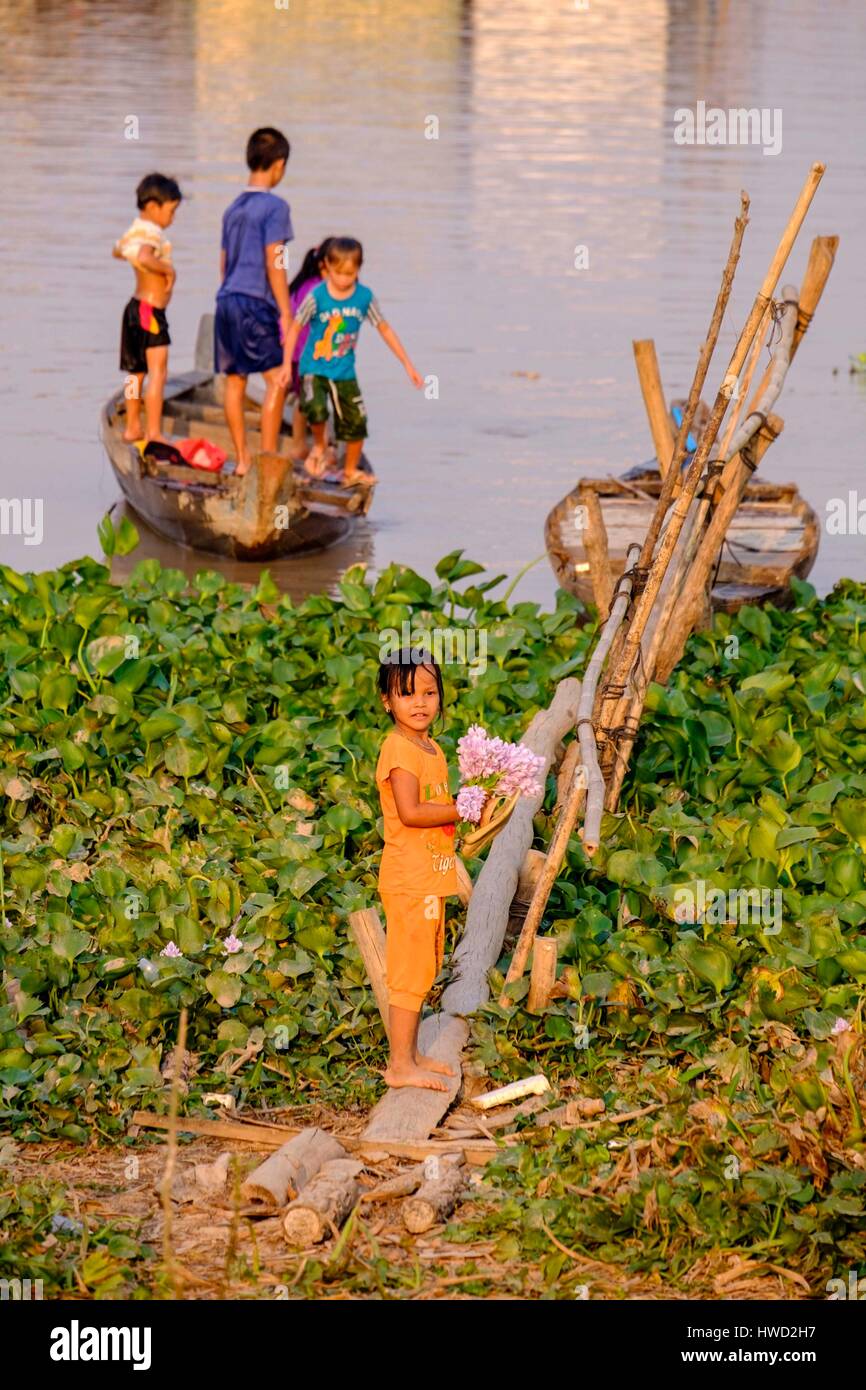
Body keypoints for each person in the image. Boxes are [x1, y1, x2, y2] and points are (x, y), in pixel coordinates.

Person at [375, 650, 459, 1091]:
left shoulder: (430, 745)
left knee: (423, 965)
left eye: (428, 692)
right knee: (409, 971)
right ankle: (399, 1067)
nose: (420, 702)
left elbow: (436, 808)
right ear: (388, 702)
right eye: (406, 694)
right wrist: (460, 809)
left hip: (429, 876)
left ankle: (410, 1055)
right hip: (409, 879)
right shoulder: (399, 748)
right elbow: (410, 812)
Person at [280, 237, 423, 486]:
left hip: (344, 371)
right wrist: (285, 366)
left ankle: (349, 471)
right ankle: (321, 446)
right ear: (326, 266)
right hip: (313, 367)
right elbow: (295, 328)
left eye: (350, 274)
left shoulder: (364, 298)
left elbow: (385, 329)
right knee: (314, 408)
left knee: (356, 422)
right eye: (338, 273)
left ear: (359, 269)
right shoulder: (317, 296)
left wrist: (408, 365)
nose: (344, 280)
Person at [214, 127, 293, 477]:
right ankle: (268, 459)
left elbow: (223, 262)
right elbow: (275, 258)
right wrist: (286, 312)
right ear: (279, 165)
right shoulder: (275, 207)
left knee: (236, 380)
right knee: (278, 380)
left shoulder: (232, 209)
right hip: (254, 302)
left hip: (227, 299)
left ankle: (244, 460)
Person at [113, 173, 182, 444]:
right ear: (153, 207)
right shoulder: (152, 233)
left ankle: (132, 427)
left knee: (135, 373)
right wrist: (169, 270)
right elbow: (144, 256)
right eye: (171, 211)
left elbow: (119, 251)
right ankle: (153, 432)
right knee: (159, 372)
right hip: (150, 312)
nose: (172, 218)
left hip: (134, 308)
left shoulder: (134, 231)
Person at [287, 238, 333, 456]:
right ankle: (313, 447)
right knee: (311, 400)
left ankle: (307, 445)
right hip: (309, 354)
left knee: (304, 398)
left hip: (297, 353)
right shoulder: (318, 290)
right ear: (325, 265)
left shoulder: (301, 285)